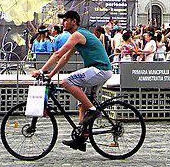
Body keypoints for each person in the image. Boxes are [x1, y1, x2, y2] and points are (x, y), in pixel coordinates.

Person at [32, 10, 112, 152]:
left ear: (73, 22)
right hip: (102, 71)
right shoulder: (78, 36)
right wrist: (50, 75)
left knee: (66, 82)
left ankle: (94, 111)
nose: (63, 23)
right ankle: (80, 139)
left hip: (99, 70)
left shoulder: (77, 35)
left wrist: (41, 70)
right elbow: (64, 59)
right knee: (83, 106)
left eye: (66, 20)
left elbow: (58, 54)